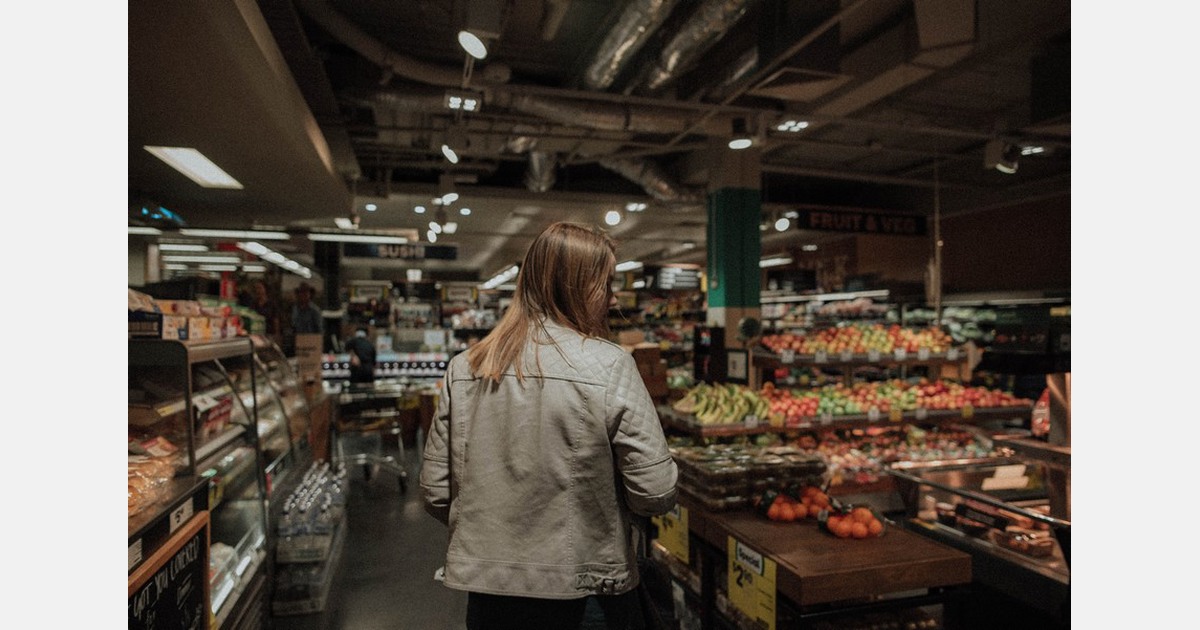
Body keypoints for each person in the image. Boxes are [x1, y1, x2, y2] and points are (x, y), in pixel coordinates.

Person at [420, 222, 678, 630]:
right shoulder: (609, 365)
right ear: (574, 287)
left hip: (490, 595)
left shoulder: (465, 368)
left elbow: (436, 492)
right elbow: (656, 491)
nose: (613, 299)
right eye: (606, 284)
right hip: (587, 593)